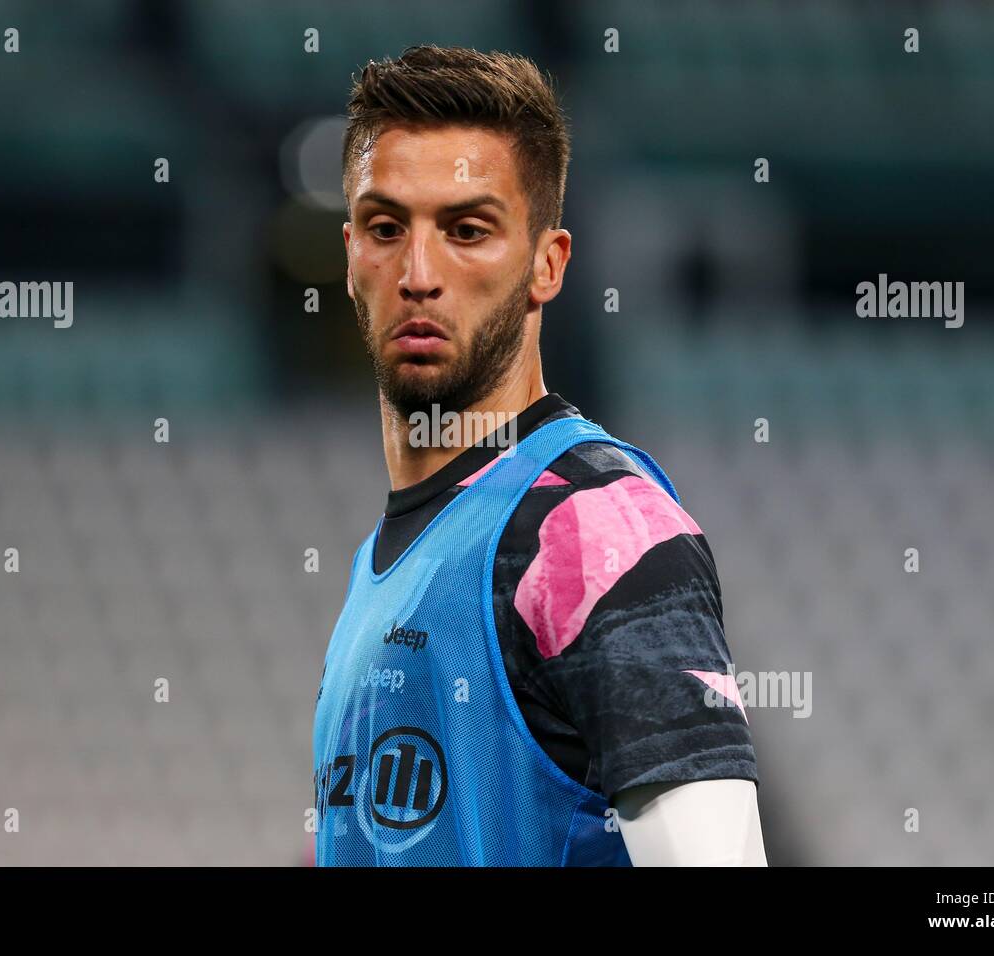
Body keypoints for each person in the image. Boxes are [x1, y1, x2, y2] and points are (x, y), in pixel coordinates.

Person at [312, 45, 765, 866]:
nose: (418, 273)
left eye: (467, 230)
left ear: (547, 264)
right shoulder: (380, 568)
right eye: (386, 228)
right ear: (350, 256)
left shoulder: (598, 530)